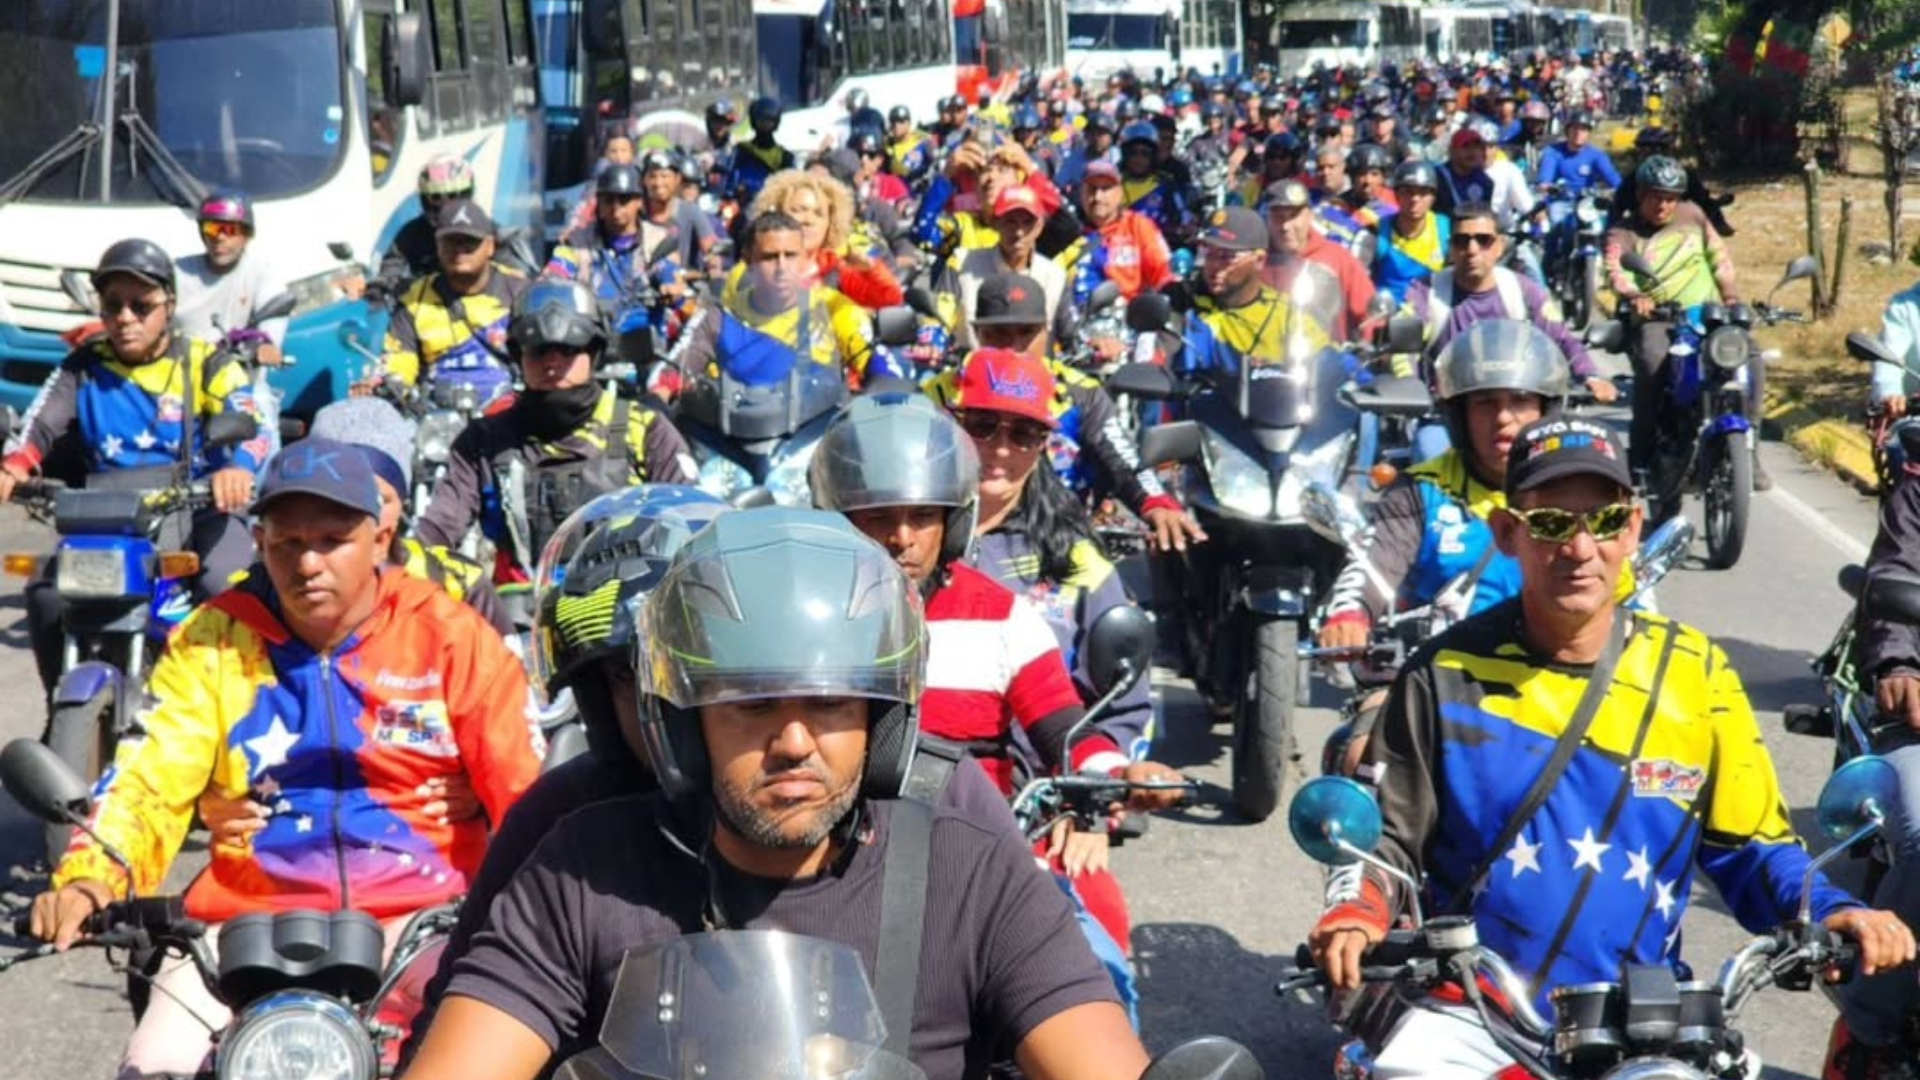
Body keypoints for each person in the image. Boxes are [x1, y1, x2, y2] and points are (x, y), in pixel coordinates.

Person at [399, 508, 1152, 1080]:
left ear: (881, 724)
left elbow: (1096, 1052)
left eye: (830, 703)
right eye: (752, 704)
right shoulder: (583, 876)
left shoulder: (971, 875)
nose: (794, 741)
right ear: (684, 728)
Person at [1307, 416, 1915, 1078]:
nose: (1579, 547)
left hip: (1650, 1023)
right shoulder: (1439, 673)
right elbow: (1386, 840)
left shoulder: (1695, 672)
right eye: (1550, 524)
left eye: (1601, 521)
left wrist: (1836, 911)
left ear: (1632, 528)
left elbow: (1753, 846)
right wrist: (1358, 911)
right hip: (1471, 1013)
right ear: (1509, 534)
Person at [27, 437, 545, 1077]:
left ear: (379, 539)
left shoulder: (450, 634)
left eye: (331, 539)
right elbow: (149, 776)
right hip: (244, 928)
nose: (307, 562)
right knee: (154, 1067)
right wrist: (89, 876)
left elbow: (526, 784)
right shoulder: (211, 641)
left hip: (429, 922)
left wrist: (557, 897)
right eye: (286, 542)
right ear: (261, 543)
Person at [3, 240, 270, 695]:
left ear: (169, 305)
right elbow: (40, 424)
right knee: (46, 595)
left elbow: (253, 424)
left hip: (194, 509)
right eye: (112, 305)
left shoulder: (205, 362)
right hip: (102, 516)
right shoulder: (82, 366)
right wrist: (14, 466)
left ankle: (244, 714)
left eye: (141, 305)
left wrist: (238, 468)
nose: (125, 318)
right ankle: (63, 717)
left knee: (232, 584)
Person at [1315, 321, 1569, 774]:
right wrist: (1350, 616)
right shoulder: (1422, 489)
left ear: (1547, 409)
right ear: (1458, 414)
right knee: (1357, 760)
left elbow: (1625, 587)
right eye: (1485, 403)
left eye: (1520, 401)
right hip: (1434, 677)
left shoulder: (1575, 489)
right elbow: (1376, 563)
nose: (1504, 418)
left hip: (1556, 677)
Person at [945, 350, 1159, 763]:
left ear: (1043, 444)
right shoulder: (906, 537)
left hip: (1033, 802)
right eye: (983, 426)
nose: (1002, 450)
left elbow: (1125, 711)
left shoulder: (1079, 560)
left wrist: (1098, 796)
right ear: (956, 425)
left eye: (1023, 433)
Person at [414, 279, 696, 590]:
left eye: (568, 348)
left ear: (594, 352)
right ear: (518, 355)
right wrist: (406, 566)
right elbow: (437, 531)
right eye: (538, 349)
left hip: (625, 612)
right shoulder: (483, 439)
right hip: (519, 618)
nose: (552, 362)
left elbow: (694, 525)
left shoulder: (643, 428)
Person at [928, 274, 1201, 554]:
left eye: (1025, 333)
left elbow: (1124, 460)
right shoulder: (937, 395)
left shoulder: (1080, 393)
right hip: (957, 548)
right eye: (998, 333)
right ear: (977, 334)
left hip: (1058, 546)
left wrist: (1157, 503)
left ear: (1046, 333)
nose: (1012, 347)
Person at [1603, 156, 1749, 487]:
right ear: (1640, 194)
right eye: (1656, 196)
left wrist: (1730, 296)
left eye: (1670, 198)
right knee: (1653, 363)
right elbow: (1615, 272)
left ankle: (1748, 450)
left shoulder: (1694, 216)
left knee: (1748, 356)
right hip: (1659, 319)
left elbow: (1719, 257)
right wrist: (1635, 297)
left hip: (1707, 315)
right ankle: (1639, 458)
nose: (1663, 205)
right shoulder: (1623, 232)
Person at [1404, 204, 1611, 403]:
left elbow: (1562, 339)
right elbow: (1403, 348)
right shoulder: (1426, 291)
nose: (1472, 249)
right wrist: (1409, 386)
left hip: (1516, 410)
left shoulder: (1522, 290)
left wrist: (1591, 376)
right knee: (1428, 440)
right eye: (1461, 240)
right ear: (1450, 247)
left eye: (1483, 240)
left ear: (1499, 247)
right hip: (1444, 412)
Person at [670, 211, 887, 390]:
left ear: (803, 257)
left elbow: (885, 371)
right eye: (770, 257)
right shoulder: (720, 318)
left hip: (819, 436)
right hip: (735, 436)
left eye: (791, 255)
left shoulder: (834, 310)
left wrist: (880, 395)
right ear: (748, 260)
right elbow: (670, 375)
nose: (782, 268)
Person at [374, 199, 531, 405]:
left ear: (490, 246)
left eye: (469, 242)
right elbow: (400, 360)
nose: (459, 250)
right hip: (436, 420)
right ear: (437, 246)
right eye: (450, 241)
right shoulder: (414, 300)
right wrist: (389, 385)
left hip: (510, 411)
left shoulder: (521, 291)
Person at [747, 169, 904, 311]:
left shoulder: (837, 271)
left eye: (819, 214)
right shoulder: (755, 265)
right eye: (798, 210)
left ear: (831, 223)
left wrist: (870, 270)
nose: (808, 220)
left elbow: (891, 299)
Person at [173, 190, 289, 367]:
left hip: (240, 384)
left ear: (247, 235)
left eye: (229, 229)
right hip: (183, 378)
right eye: (211, 228)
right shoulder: (177, 272)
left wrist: (264, 346)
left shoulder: (262, 273)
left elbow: (272, 324)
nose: (219, 237)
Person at [949, 186, 1073, 351]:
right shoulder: (963, 263)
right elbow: (941, 314)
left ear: (1039, 227)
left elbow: (1070, 334)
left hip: (1034, 372)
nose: (1019, 232)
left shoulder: (1055, 275)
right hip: (973, 369)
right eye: (1010, 221)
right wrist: (932, 342)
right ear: (995, 223)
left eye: (1027, 223)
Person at [1260, 179, 1377, 344]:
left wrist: (1365, 347)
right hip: (1263, 361)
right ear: (1267, 219)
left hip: (1327, 361)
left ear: (1309, 216)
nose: (1286, 226)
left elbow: (1370, 316)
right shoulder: (1255, 259)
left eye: (1293, 216)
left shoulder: (1338, 258)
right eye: (1278, 217)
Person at [1060, 162, 1177, 305]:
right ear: (1081, 193)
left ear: (1120, 193)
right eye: (1092, 189)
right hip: (1073, 318)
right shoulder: (1066, 229)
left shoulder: (1138, 226)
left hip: (1124, 319)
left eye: (1106, 189)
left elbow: (1164, 275)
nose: (1098, 197)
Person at [380, 156, 477, 282]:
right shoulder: (411, 234)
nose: (446, 205)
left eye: (453, 196)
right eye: (437, 197)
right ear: (425, 199)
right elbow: (391, 269)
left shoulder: (488, 233)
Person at [1372, 161, 1451, 305]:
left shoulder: (1445, 229)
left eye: (1423, 192)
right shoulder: (1378, 230)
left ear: (1433, 197)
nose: (1415, 199)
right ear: (1396, 195)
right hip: (1386, 316)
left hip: (1431, 316)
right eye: (1408, 191)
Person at [721, 96, 795, 204]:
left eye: (769, 122)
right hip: (743, 205)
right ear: (754, 122)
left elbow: (789, 187)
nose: (765, 126)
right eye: (761, 121)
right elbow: (729, 180)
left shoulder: (784, 156)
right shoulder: (742, 150)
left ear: (776, 123)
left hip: (772, 205)